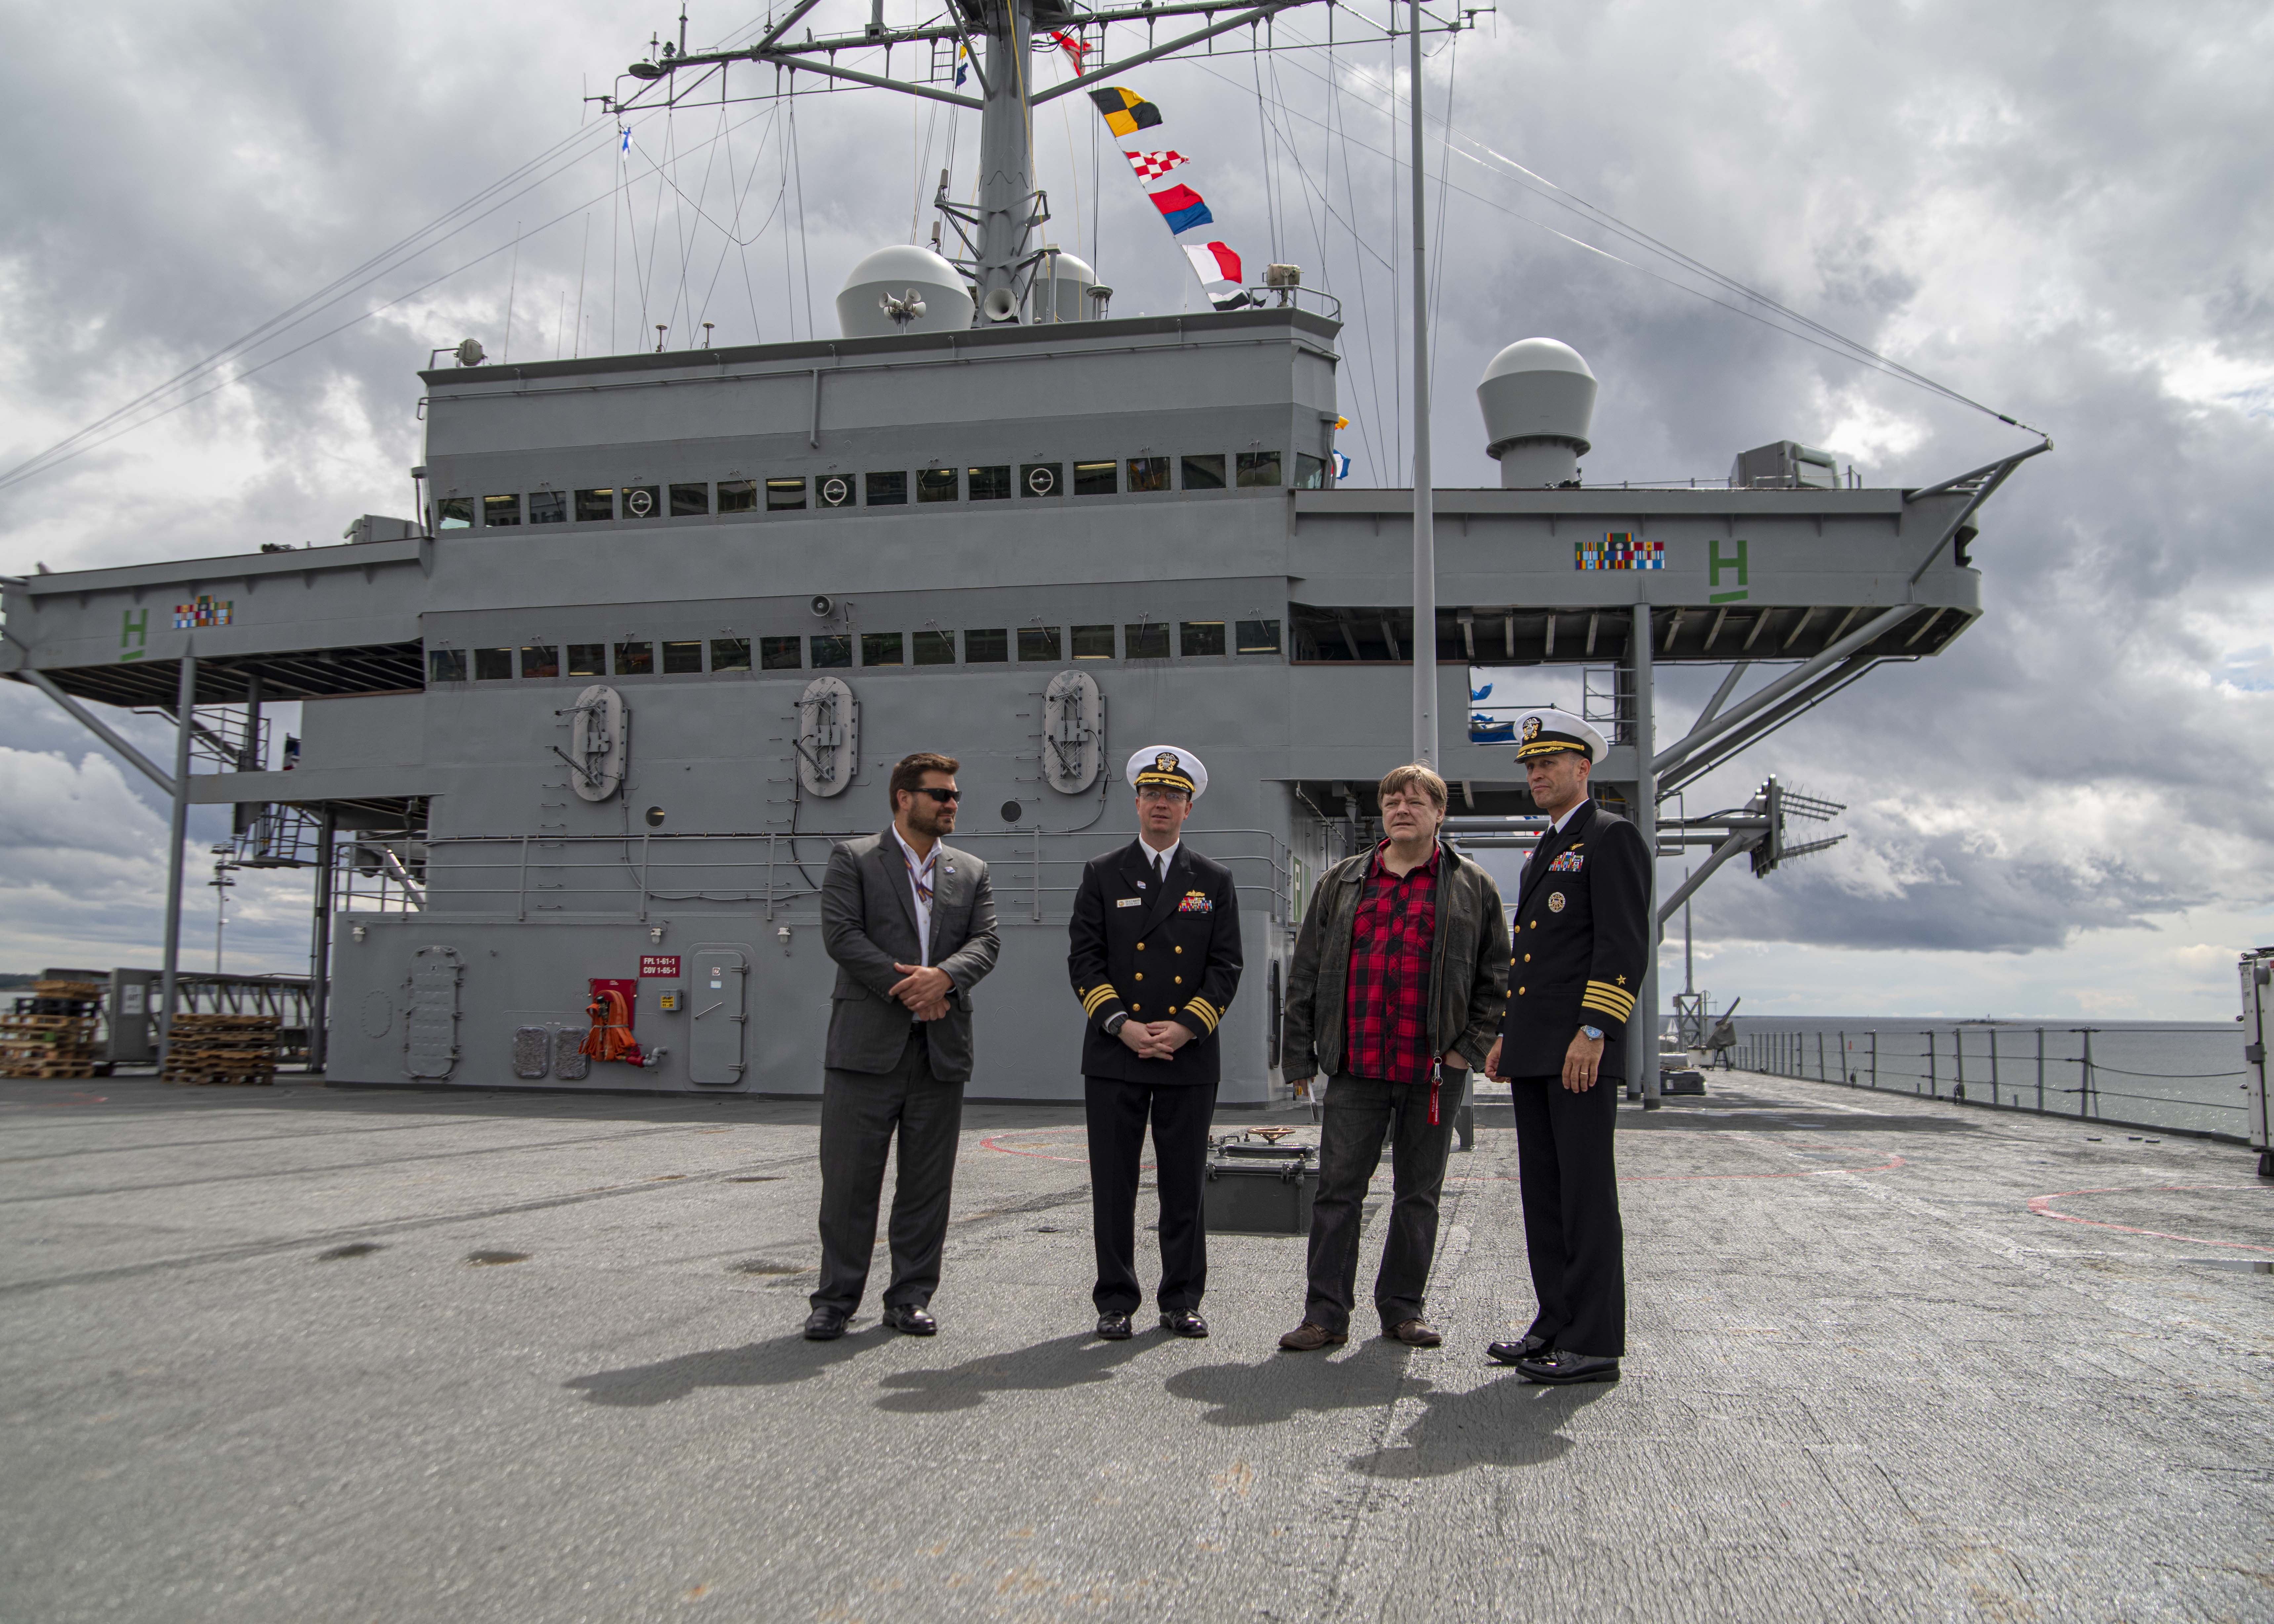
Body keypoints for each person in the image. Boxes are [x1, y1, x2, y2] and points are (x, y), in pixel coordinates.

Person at [1277, 763, 1510, 1352]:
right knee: (1337, 1192)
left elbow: (1497, 980)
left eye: (1414, 801)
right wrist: (1299, 1058)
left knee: (1418, 1194)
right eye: (1391, 801)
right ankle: (1325, 1315)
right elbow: (1305, 973)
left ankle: (1402, 1310)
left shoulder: (1473, 887)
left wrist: (1466, 1052)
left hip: (1433, 1072)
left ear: (1438, 813)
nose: (1400, 809)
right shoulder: (1341, 882)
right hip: (1354, 1067)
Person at [807, 752, 999, 1341]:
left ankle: (910, 1296)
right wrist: (911, 988)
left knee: (926, 1183)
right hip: (866, 1049)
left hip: (938, 1051)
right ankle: (836, 1301)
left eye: (955, 796)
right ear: (903, 798)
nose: (952, 805)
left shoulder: (970, 870)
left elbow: (986, 941)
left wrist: (943, 979)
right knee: (848, 1182)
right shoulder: (854, 859)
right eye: (940, 794)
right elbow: (842, 936)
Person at [1483, 710, 1648, 1385]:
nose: (1536, 773)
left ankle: (1594, 1342)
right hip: (1536, 1049)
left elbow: (1622, 944)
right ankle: (1553, 1322)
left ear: (1585, 767)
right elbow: (1535, 960)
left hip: (1578, 1050)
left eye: (1549, 762)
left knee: (1583, 1195)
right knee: (1544, 1195)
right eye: (1530, 764)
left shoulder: (1609, 837)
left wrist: (1595, 1031)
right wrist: (1505, 1035)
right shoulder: (1548, 847)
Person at [1067, 747, 1243, 1341]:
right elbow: (1085, 961)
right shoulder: (1102, 872)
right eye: (1152, 794)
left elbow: (1226, 966)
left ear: (1188, 808)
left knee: (1183, 1183)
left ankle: (1181, 1298)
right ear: (1137, 802)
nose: (1161, 803)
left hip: (1187, 1053)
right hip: (1117, 1051)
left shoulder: (1213, 880)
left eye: (1173, 796)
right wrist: (1121, 1023)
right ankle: (1115, 1300)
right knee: (1113, 1184)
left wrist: (1187, 1025)